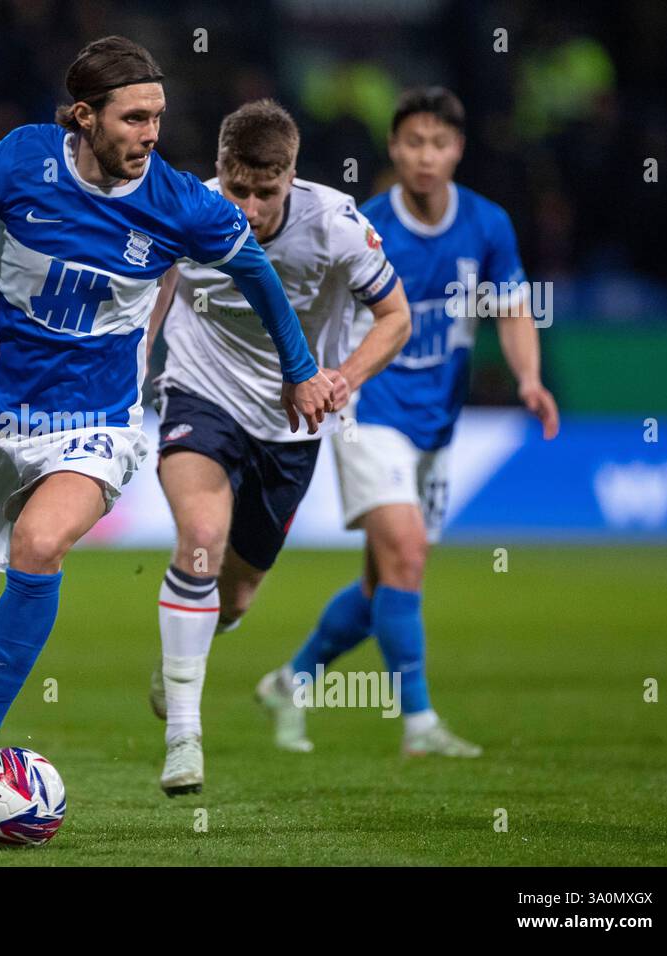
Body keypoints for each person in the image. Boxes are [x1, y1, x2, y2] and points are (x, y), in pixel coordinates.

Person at [0, 36, 335, 818]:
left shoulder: (179, 202)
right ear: (84, 117)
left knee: (41, 544)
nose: (151, 134)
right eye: (134, 118)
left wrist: (299, 366)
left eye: (158, 116)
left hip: (97, 419)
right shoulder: (19, 164)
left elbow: (254, 269)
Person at [262, 87, 560, 756]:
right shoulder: (362, 226)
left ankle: (292, 680)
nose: (426, 157)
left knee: (381, 587)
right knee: (408, 554)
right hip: (365, 405)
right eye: (414, 143)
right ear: (394, 149)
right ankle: (420, 724)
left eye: (440, 144)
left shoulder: (487, 226)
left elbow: (511, 309)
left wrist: (529, 378)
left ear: (458, 150)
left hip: (437, 422)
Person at [145, 99, 411, 794]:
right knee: (200, 535)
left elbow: (396, 316)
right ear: (219, 173)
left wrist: (342, 379)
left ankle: (188, 643)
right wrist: (137, 360)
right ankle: (184, 734)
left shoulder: (337, 227)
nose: (253, 209)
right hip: (200, 397)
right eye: (239, 190)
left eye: (268, 193)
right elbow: (157, 283)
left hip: (291, 428)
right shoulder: (187, 210)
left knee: (233, 599)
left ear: (292, 176)